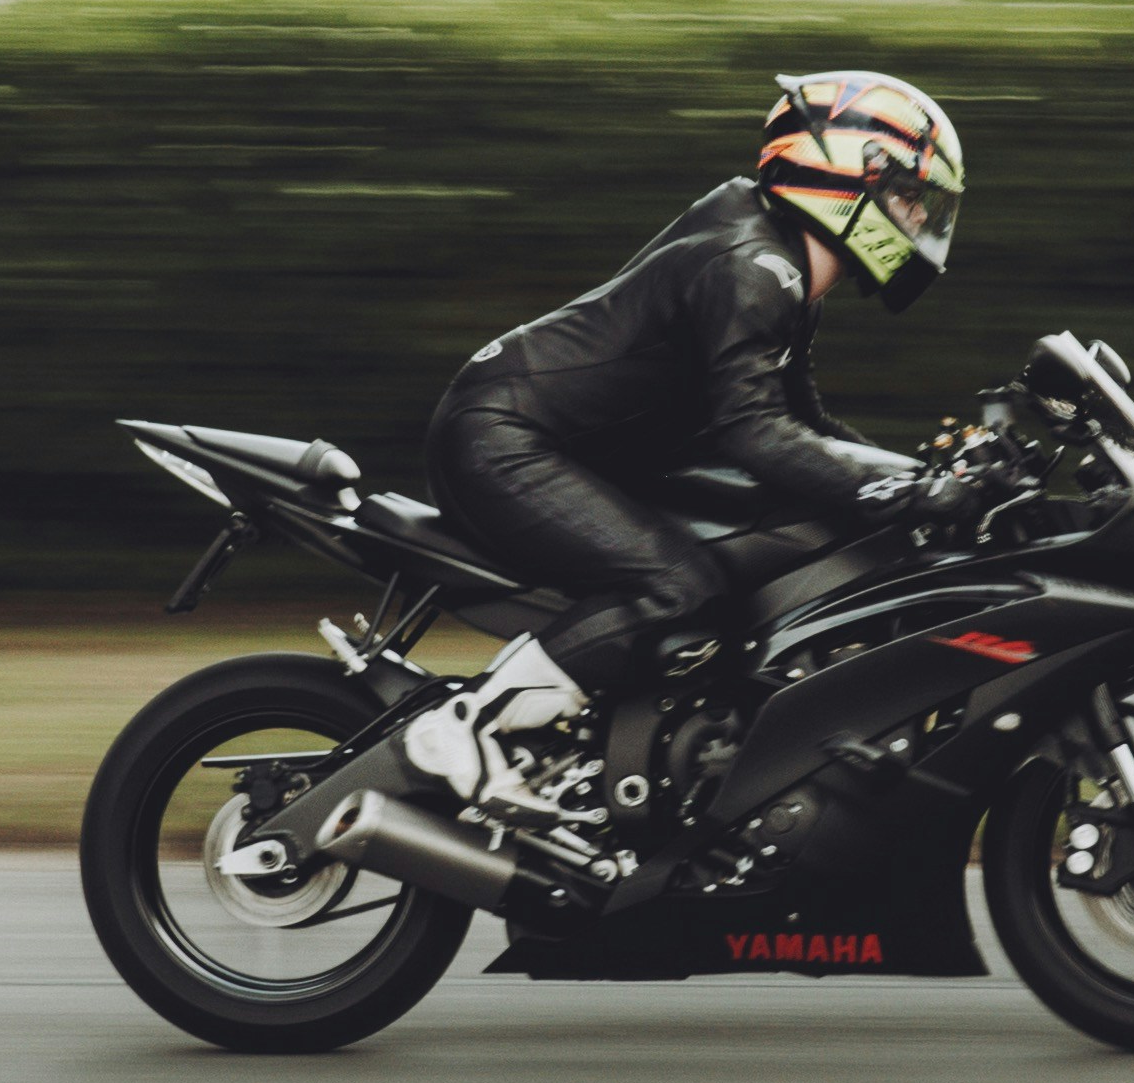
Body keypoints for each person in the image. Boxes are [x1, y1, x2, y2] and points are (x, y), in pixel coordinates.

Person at [412, 70, 967, 818]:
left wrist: (916, 478)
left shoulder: (783, 270)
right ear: (843, 172)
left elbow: (805, 433)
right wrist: (910, 488)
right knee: (682, 584)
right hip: (506, 443)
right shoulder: (753, 266)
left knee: (767, 543)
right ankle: (470, 724)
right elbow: (754, 434)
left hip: (564, 447)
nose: (915, 214)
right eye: (905, 192)